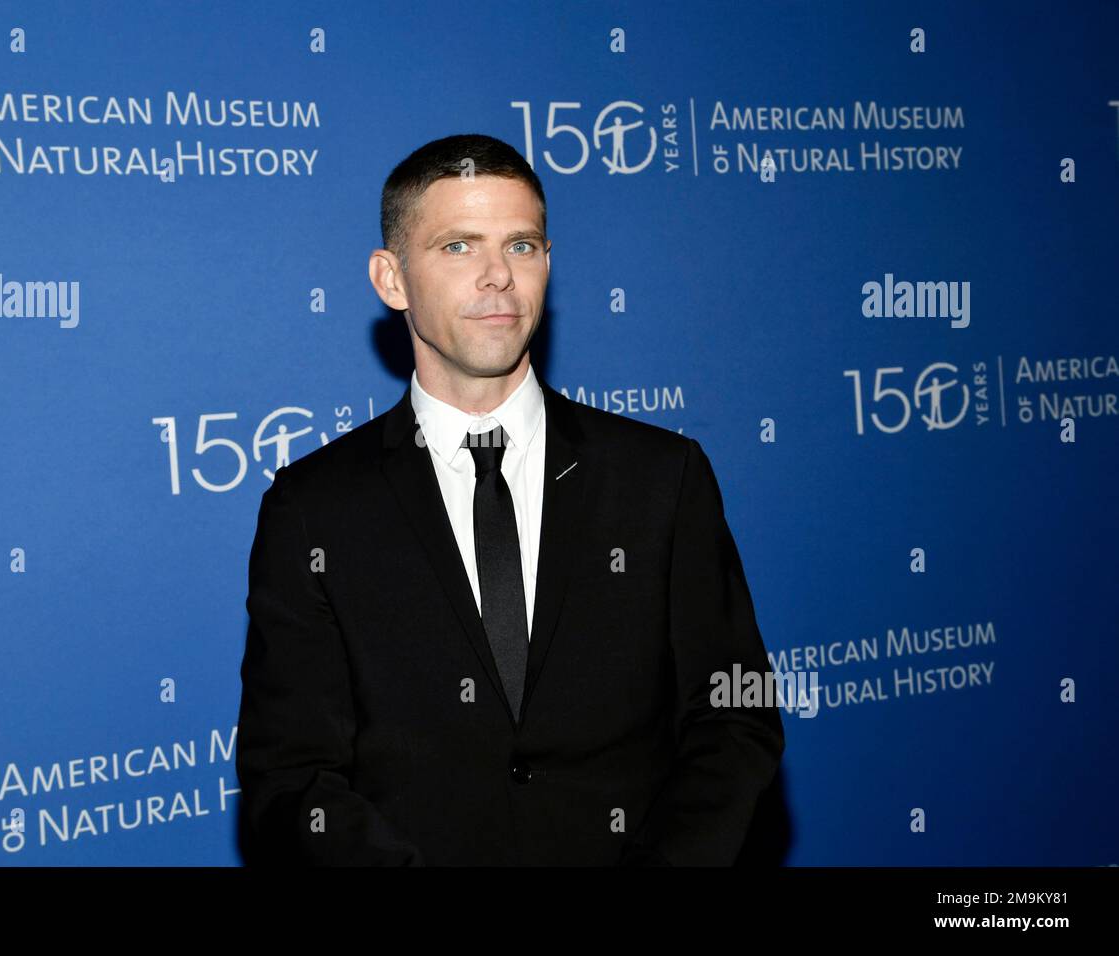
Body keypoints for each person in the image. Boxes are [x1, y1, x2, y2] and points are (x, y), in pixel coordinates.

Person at [236, 133, 784, 866]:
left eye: (522, 246)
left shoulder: (661, 477)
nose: (498, 276)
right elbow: (289, 779)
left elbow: (736, 709)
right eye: (459, 247)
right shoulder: (313, 509)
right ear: (391, 279)